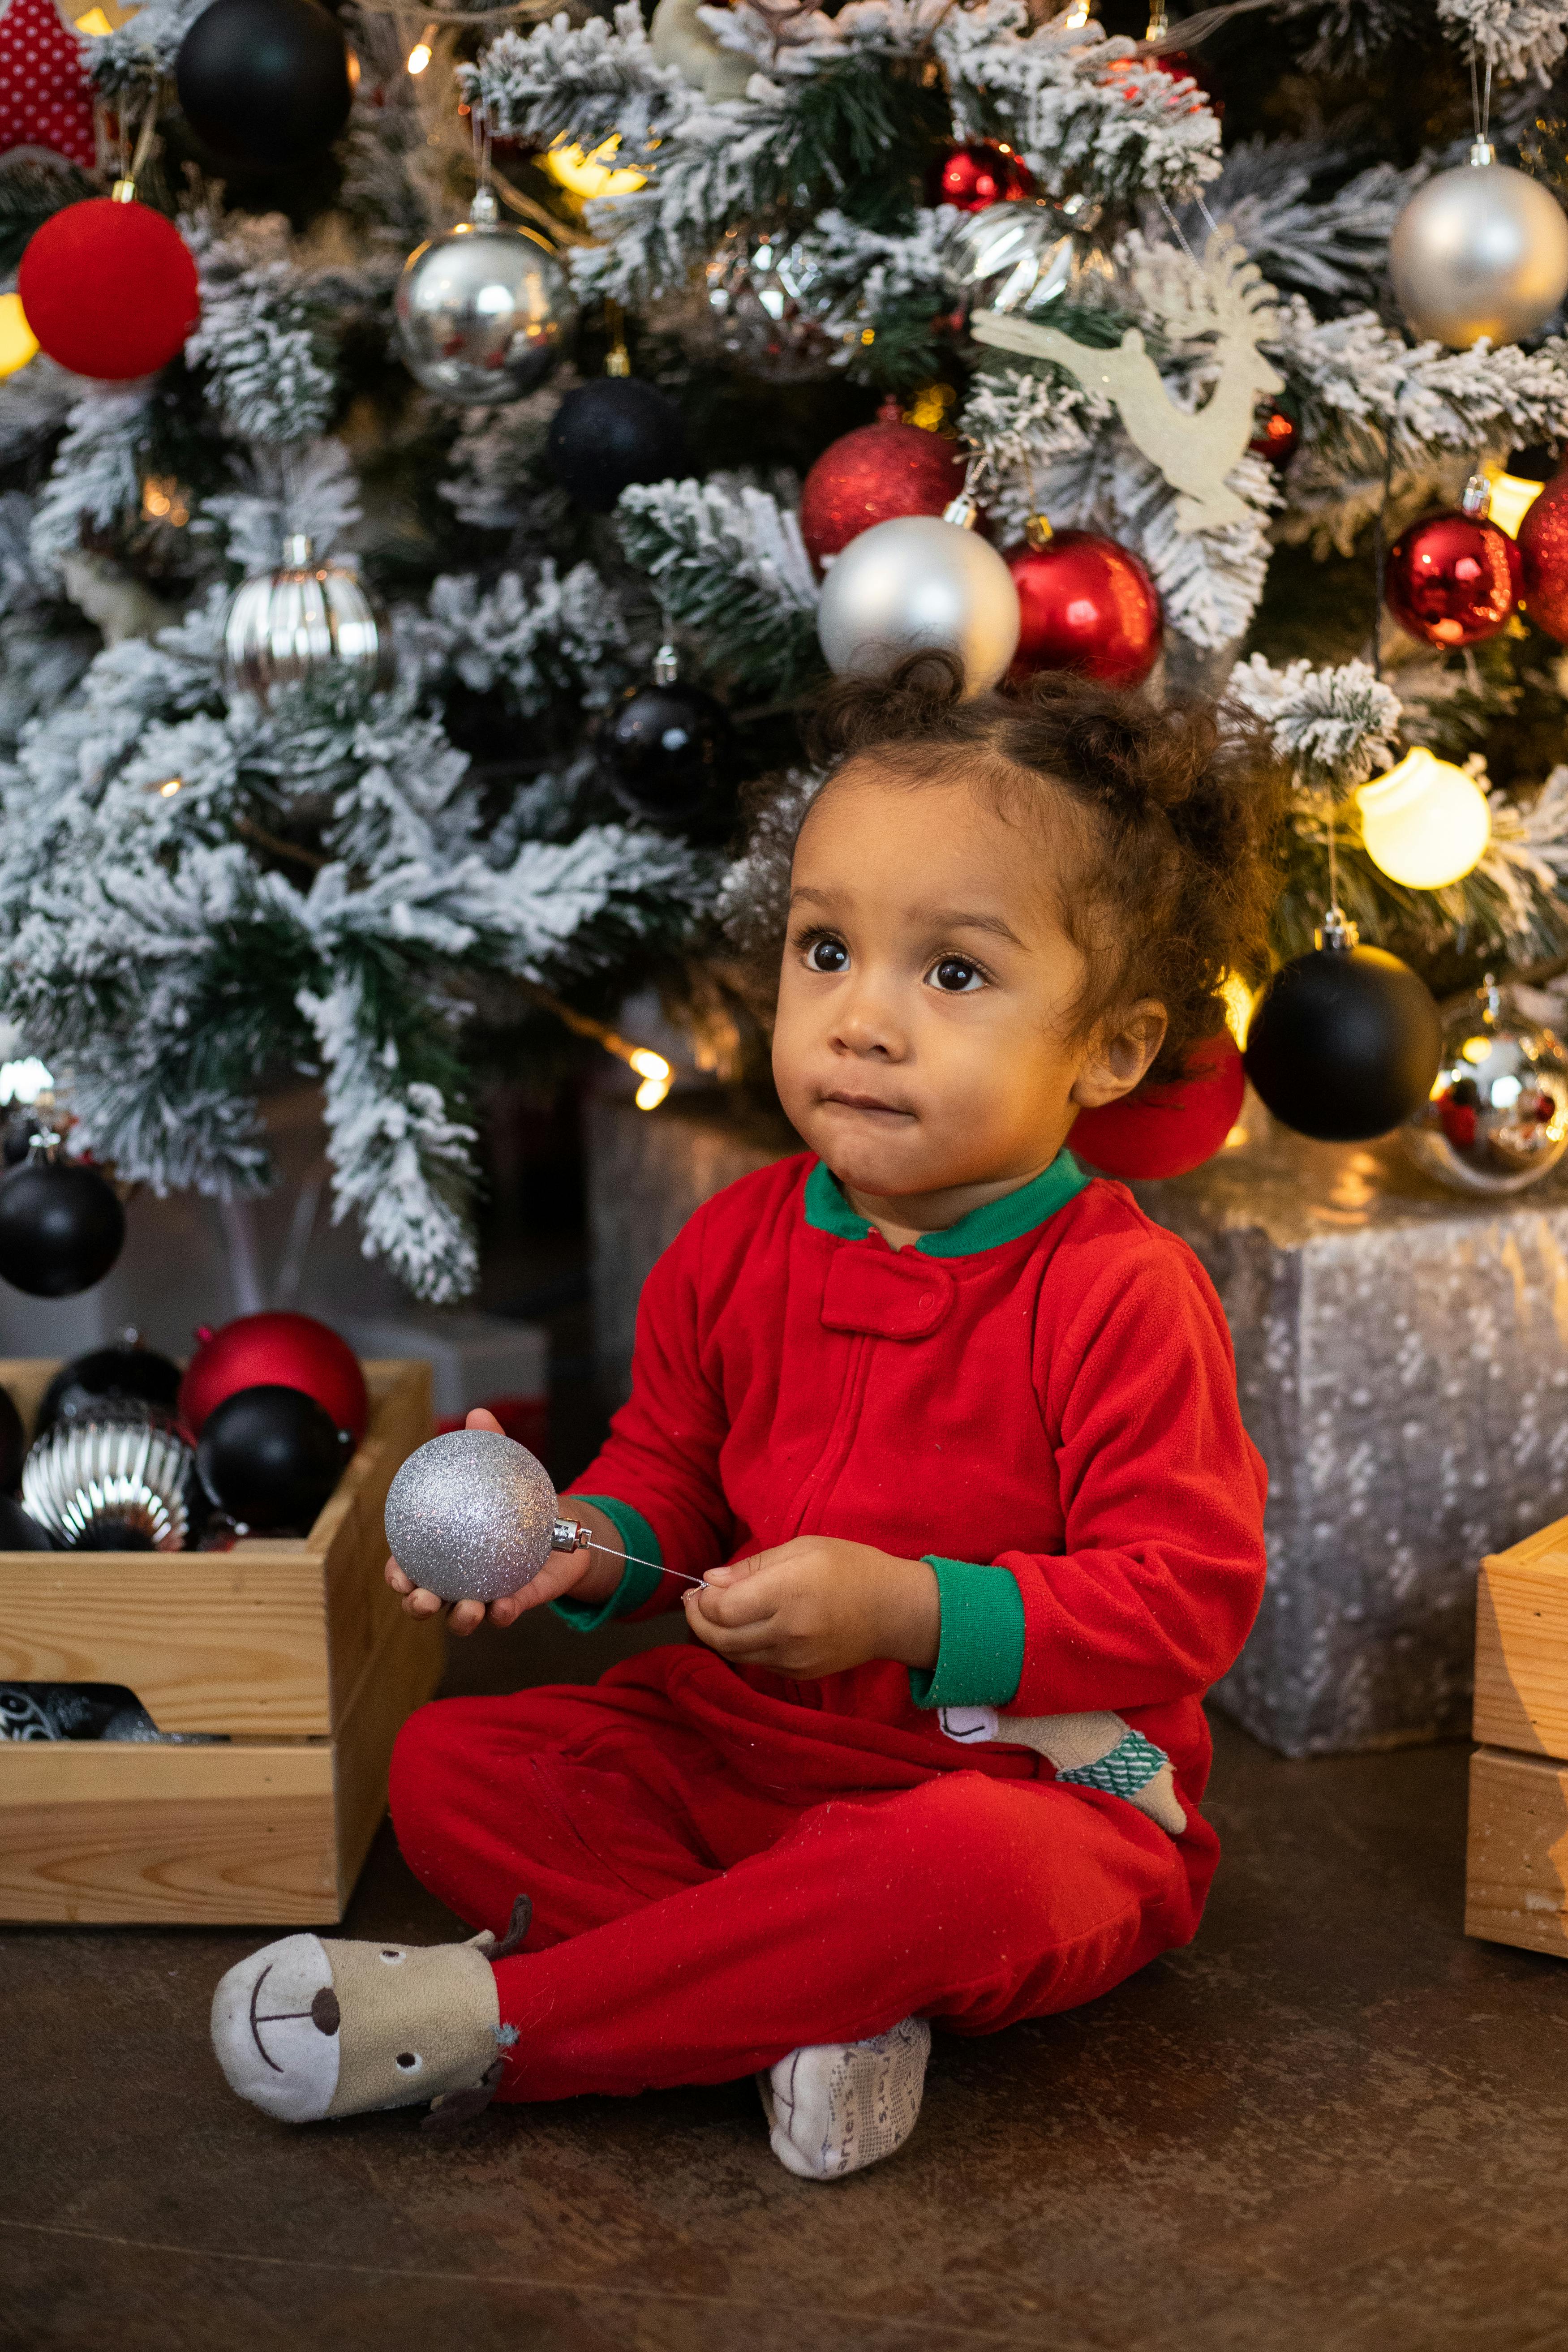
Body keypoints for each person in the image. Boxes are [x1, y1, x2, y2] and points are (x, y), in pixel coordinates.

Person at [211, 659, 1279, 2178]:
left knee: (951, 1870)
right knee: (451, 1765)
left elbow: (1185, 1598)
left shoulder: (1120, 1292)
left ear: (1107, 1046)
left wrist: (905, 1608)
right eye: (826, 948)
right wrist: (580, 1545)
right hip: (751, 1756)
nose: (863, 1021)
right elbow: (667, 1474)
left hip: (1022, 1789)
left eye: (955, 974)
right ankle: (807, 1999)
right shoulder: (736, 1243)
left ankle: (513, 2021)